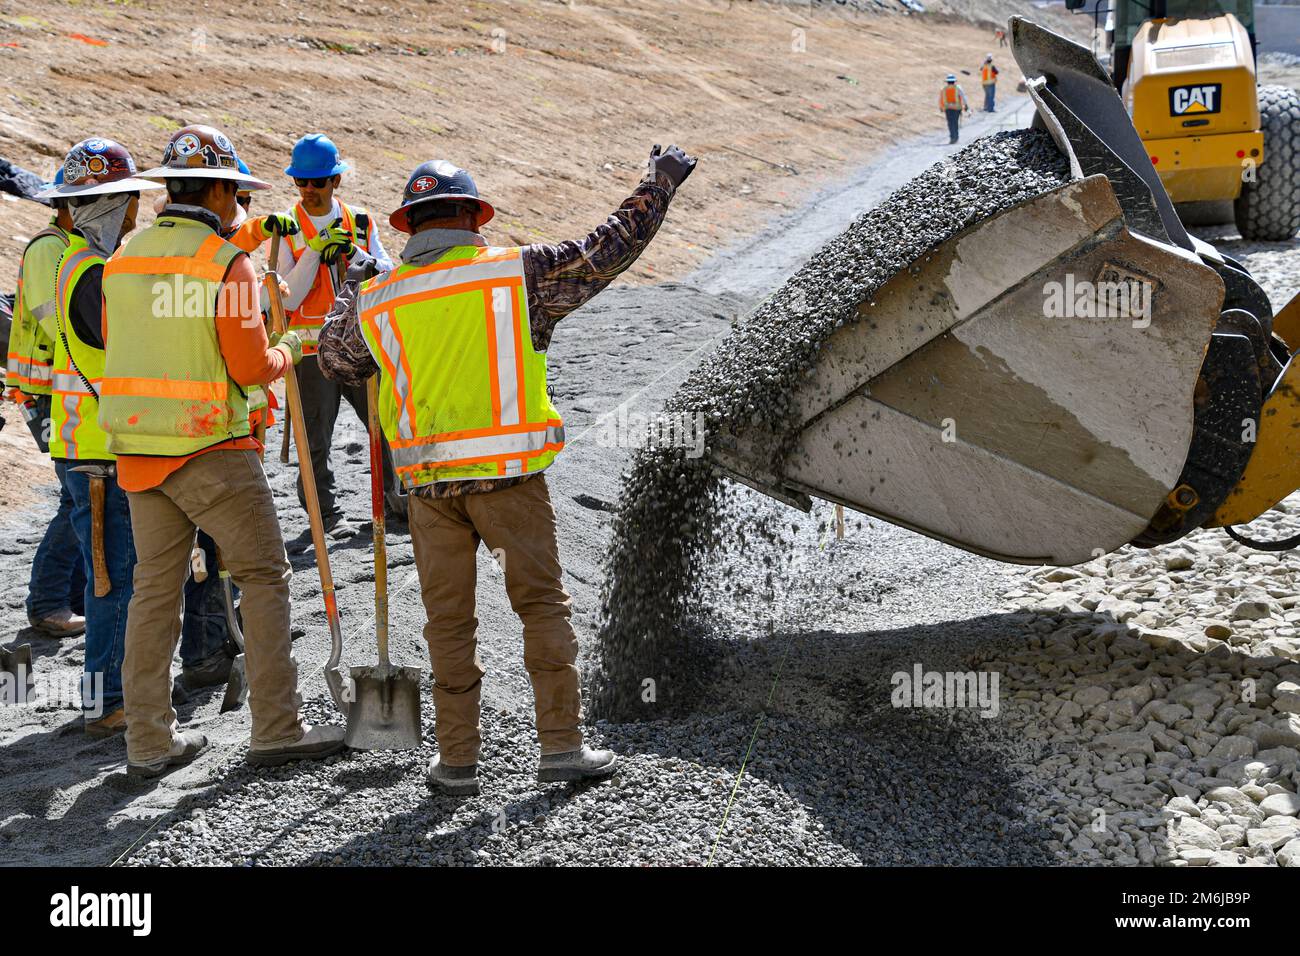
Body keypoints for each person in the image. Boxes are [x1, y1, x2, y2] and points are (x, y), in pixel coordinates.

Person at [317, 146, 697, 795]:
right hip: (510, 482)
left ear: (408, 227)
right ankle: (559, 747)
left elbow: (335, 360)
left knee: (448, 624)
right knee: (542, 607)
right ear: (472, 216)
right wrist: (656, 186)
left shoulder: (382, 297)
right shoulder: (515, 274)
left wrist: (351, 287)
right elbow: (608, 248)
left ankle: (459, 762)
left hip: (432, 490)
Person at [101, 125, 345, 777]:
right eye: (234, 193)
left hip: (137, 451)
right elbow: (248, 368)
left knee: (154, 593)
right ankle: (276, 728)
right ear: (213, 192)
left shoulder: (123, 258)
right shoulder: (224, 263)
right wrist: (292, 347)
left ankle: (149, 743)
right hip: (209, 445)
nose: (239, 206)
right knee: (264, 575)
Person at [35, 138, 165, 734]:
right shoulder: (90, 270)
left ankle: (108, 695)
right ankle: (110, 701)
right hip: (97, 452)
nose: (136, 213)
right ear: (111, 207)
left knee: (110, 573)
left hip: (87, 447)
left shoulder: (79, 263)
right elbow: (122, 349)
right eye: (129, 201)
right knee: (114, 579)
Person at [273, 133, 401, 539]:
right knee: (315, 440)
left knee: (384, 427)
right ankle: (325, 517)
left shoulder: (360, 222)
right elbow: (282, 293)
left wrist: (355, 257)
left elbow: (388, 271)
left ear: (336, 182)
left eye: (318, 182)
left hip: (362, 345)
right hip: (310, 350)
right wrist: (314, 250)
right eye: (302, 183)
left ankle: (397, 503)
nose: (309, 190)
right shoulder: (286, 227)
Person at [6, 165, 86, 638]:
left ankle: (69, 597)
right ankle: (48, 601)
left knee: (80, 495)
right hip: (48, 393)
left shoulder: (70, 248)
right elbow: (62, 327)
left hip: (64, 390)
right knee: (75, 498)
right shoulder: (48, 250)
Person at [939, 74, 971, 144]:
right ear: (954, 81)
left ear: (947, 82)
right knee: (955, 122)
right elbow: (963, 97)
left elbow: (941, 99)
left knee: (950, 123)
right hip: (957, 108)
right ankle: (955, 137)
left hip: (947, 108)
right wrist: (966, 106)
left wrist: (941, 107)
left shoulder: (944, 89)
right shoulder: (958, 88)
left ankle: (952, 137)